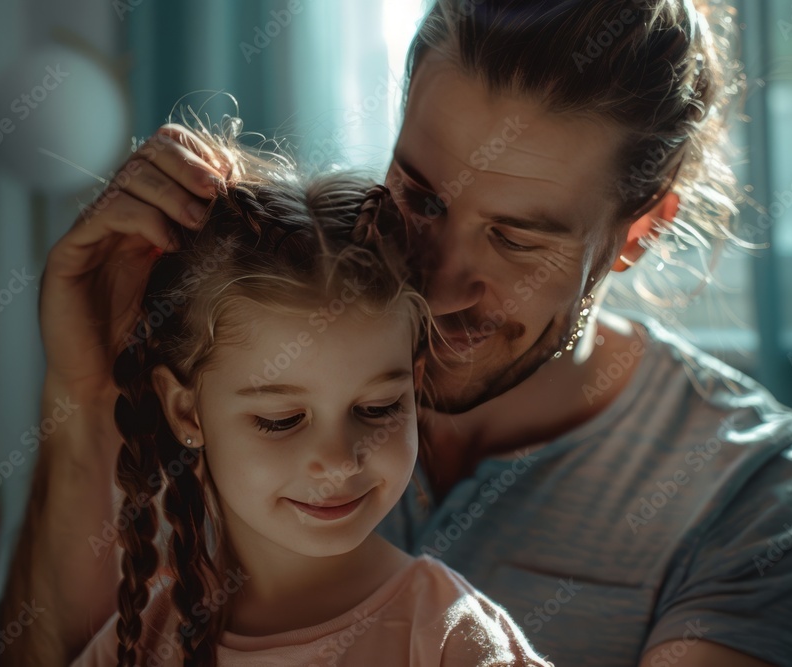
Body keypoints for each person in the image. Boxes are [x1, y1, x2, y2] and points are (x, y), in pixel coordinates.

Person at [3, 1, 792, 666]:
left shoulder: (759, 499)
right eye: (422, 197)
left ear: (638, 234)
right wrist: (83, 397)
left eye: (519, 238)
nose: (438, 282)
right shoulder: (244, 378)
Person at [52, 122, 552, 667]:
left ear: (413, 382)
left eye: (378, 409)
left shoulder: (452, 642)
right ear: (184, 409)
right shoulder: (140, 642)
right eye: (282, 419)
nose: (338, 461)